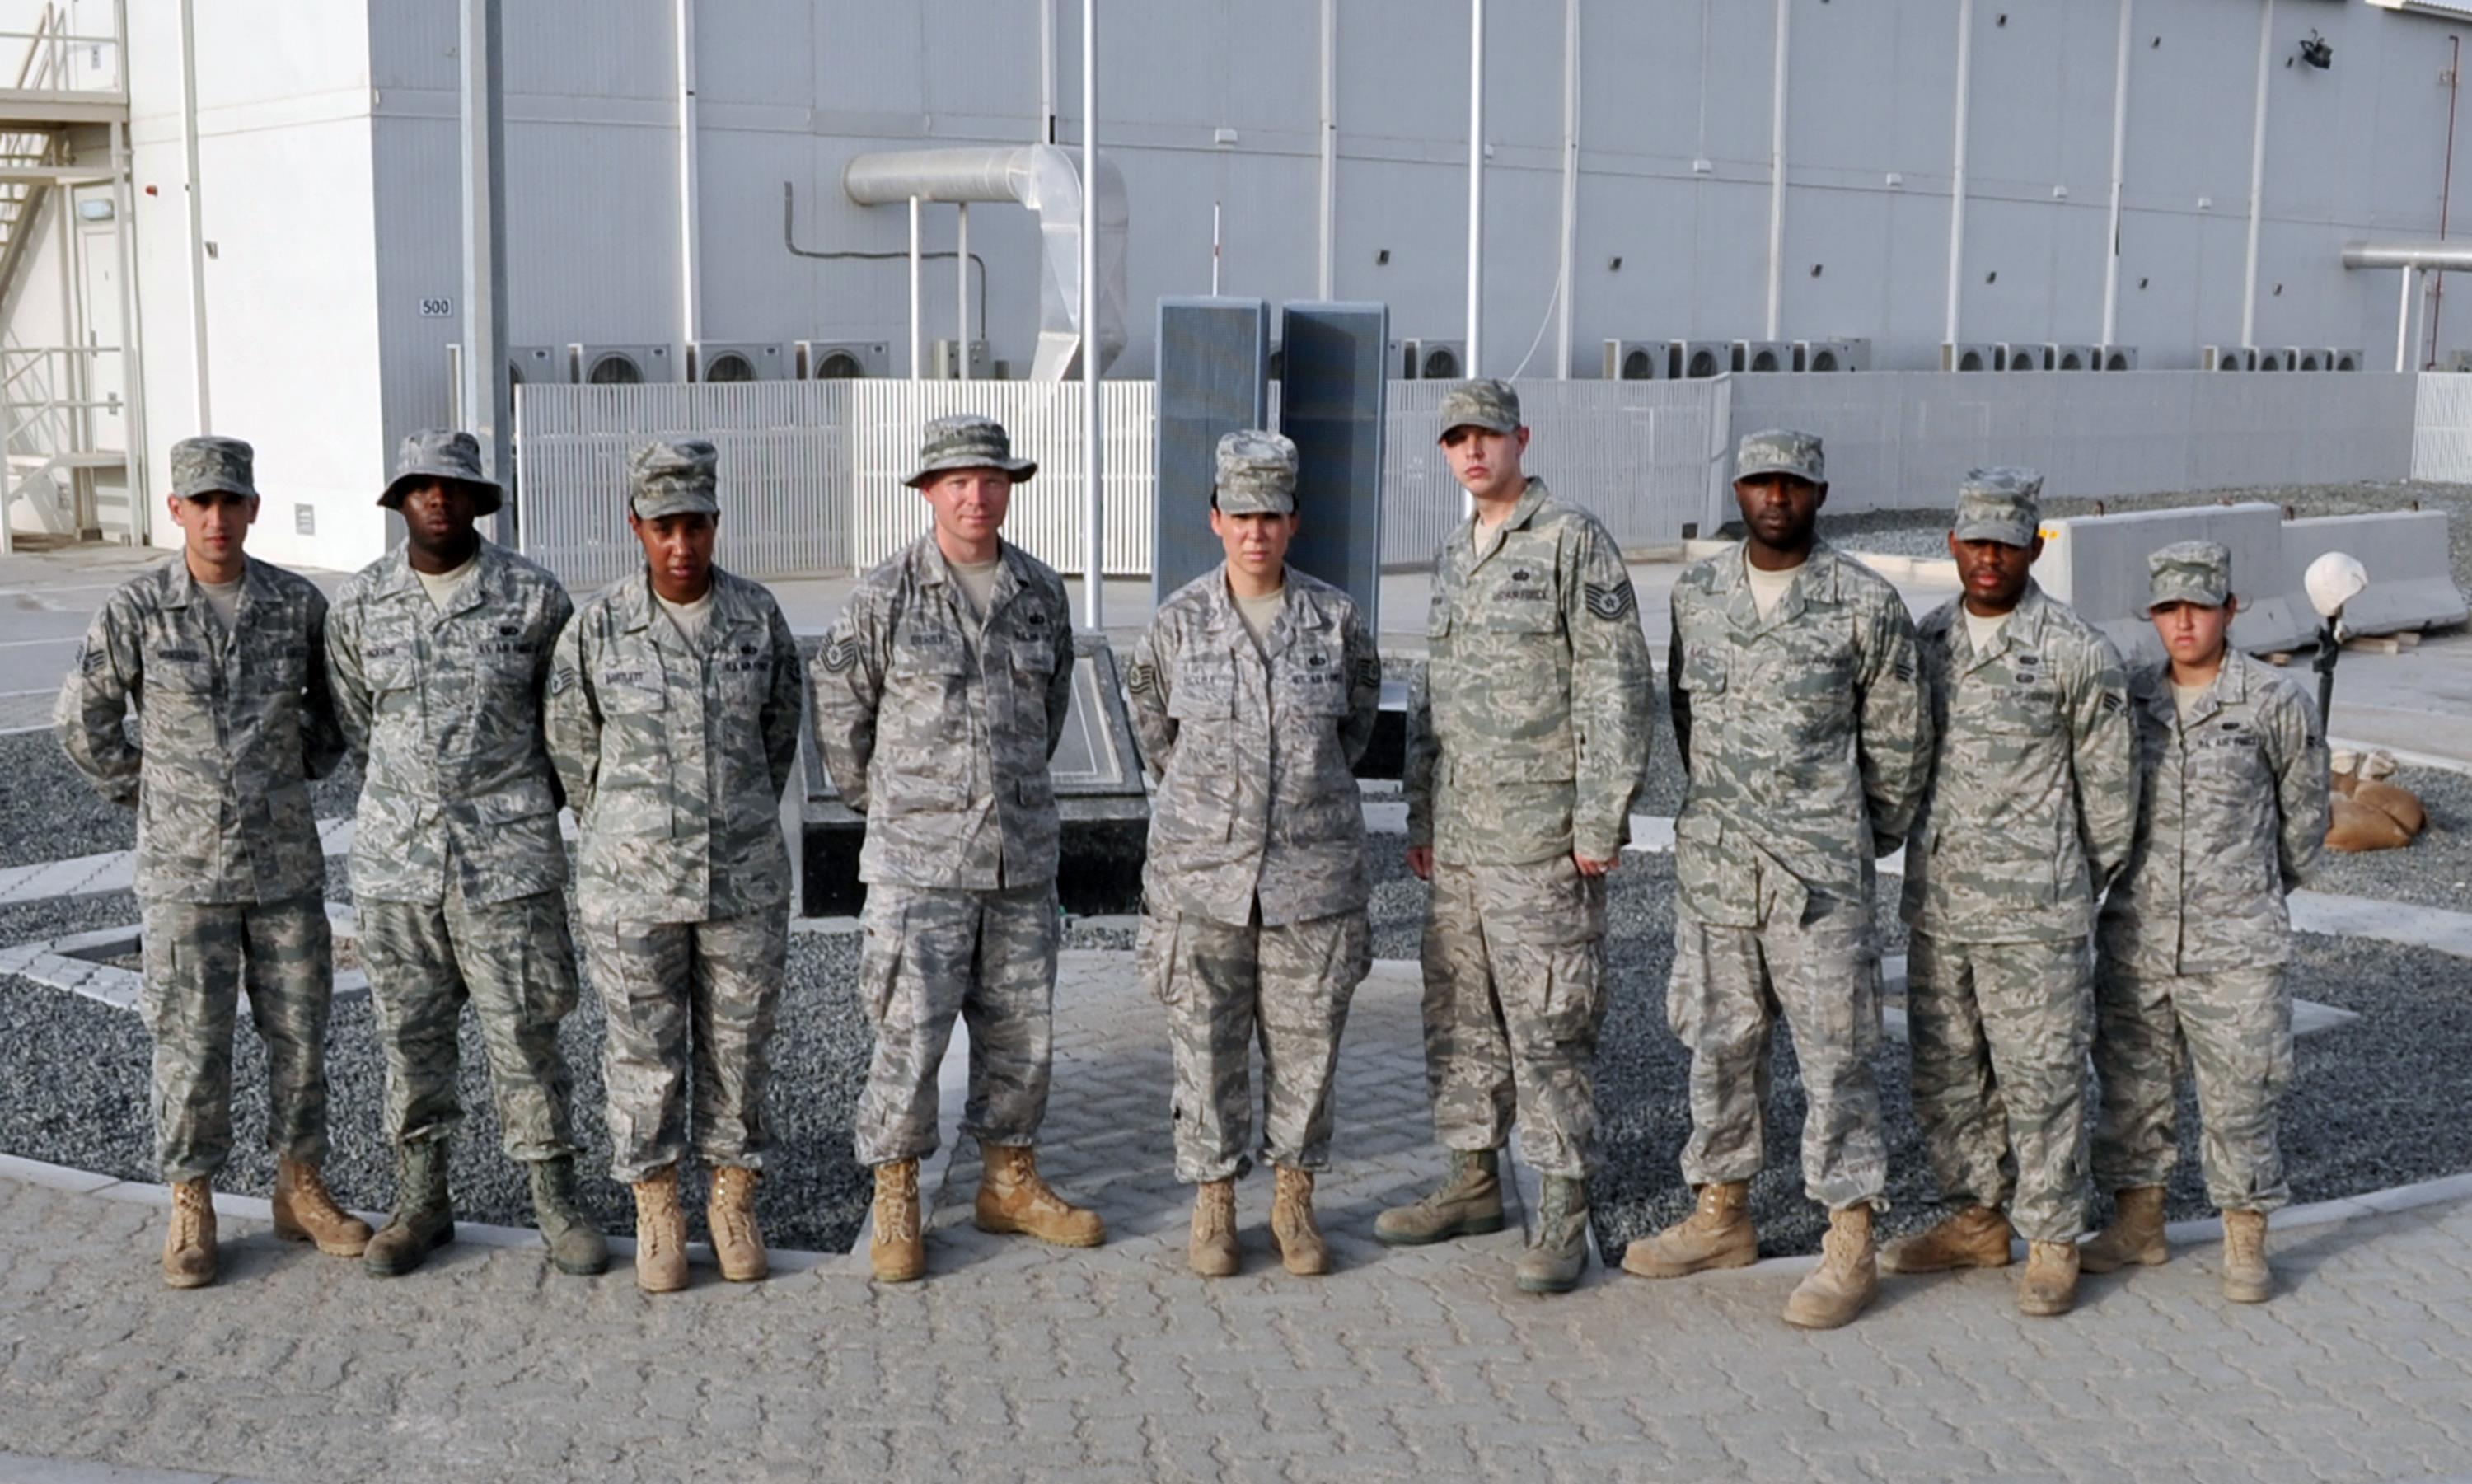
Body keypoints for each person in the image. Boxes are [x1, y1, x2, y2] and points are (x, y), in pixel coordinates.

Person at [1626, 428, 1931, 1329]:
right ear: (1738, 490)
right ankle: (1722, 1213)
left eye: (1792, 484)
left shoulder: (1863, 603)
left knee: (1837, 1058)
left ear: (1820, 493)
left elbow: (1899, 750)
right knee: (1719, 1045)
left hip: (1819, 886)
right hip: (1720, 871)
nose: (1775, 497)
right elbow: (1686, 718)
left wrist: (1846, 836)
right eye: (1760, 482)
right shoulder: (1699, 596)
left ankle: (1850, 1234)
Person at [56, 435, 371, 1287]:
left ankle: (300, 1187)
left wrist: (288, 770)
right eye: (201, 502)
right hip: (184, 875)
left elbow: (335, 713)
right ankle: (191, 1201)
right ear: (176, 509)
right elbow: (82, 722)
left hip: (282, 868)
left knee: (300, 1036)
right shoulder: (138, 608)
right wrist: (155, 794)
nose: (217, 517)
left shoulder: (295, 605)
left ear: (253, 507)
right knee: (191, 1044)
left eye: (232, 501)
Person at [813, 412, 1103, 1285]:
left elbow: (1048, 714)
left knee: (1022, 1033)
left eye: (991, 479)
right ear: (929, 492)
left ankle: (1008, 1180)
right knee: (908, 1034)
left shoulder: (1040, 592)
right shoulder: (885, 596)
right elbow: (841, 724)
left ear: (1010, 488)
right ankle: (897, 1191)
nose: (976, 496)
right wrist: (900, 811)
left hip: (1018, 859)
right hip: (919, 866)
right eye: (958, 482)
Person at [1382, 378, 1655, 1294]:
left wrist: (1600, 818)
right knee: (1460, 1019)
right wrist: (1423, 814)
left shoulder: (1571, 539)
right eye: (1457, 438)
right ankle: (1473, 1181)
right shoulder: (1453, 553)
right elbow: (1433, 695)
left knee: (1549, 1026)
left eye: (1487, 435)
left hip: (1542, 840)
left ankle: (1564, 1206)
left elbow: (1616, 685)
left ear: (1520, 439)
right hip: (1462, 839)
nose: (1473, 451)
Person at [325, 429, 602, 1279]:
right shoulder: (359, 603)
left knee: (527, 1033)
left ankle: (556, 1200)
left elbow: (565, 727)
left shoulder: (533, 598)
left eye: (452, 486)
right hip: (399, 866)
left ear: (478, 499)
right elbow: (359, 726)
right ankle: (422, 1201)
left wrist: (512, 810)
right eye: (421, 485)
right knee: (410, 1038)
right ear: (400, 499)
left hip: (507, 863)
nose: (437, 499)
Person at [545, 438, 803, 1293]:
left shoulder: (757, 618)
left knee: (739, 1046)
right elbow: (572, 748)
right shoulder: (599, 628)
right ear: (637, 527)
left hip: (742, 879)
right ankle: (657, 1204)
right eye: (664, 527)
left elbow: (777, 734)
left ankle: (732, 1199)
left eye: (695, 525)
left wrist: (734, 813)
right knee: (643, 1053)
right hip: (633, 884)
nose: (681, 544)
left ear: (716, 523)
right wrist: (624, 829)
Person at [1125, 429, 1382, 1278]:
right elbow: (1155, 738)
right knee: (1205, 1047)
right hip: (1203, 880)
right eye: (1240, 516)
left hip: (1311, 881)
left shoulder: (1336, 622)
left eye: (1270, 516)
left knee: (1307, 1051)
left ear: (1294, 521)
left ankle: (1294, 1200)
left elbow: (1353, 734)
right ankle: (1214, 1201)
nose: (1255, 532)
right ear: (1215, 519)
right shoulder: (1177, 623)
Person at [1883, 468, 2137, 1318]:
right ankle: (1977, 1218)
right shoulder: (1928, 644)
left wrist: (2059, 877)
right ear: (1952, 544)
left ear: (2034, 546)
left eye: (2006, 543)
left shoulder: (2073, 649)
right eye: (1976, 542)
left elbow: (2111, 798)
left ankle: (2055, 1235)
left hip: (2036, 916)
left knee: (2043, 1078)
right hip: (1942, 908)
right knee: (1948, 1074)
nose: (1989, 558)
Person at [2082, 541, 2329, 1303]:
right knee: (2132, 1091)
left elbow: (2304, 823)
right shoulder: (2131, 700)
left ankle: (2245, 1237)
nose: (2183, 623)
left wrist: (2250, 892)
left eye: (2198, 607)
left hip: (2237, 944)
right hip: (2139, 935)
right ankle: (2139, 1223)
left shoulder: (2274, 699)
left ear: (2229, 608)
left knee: (2242, 1094)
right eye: (2168, 609)